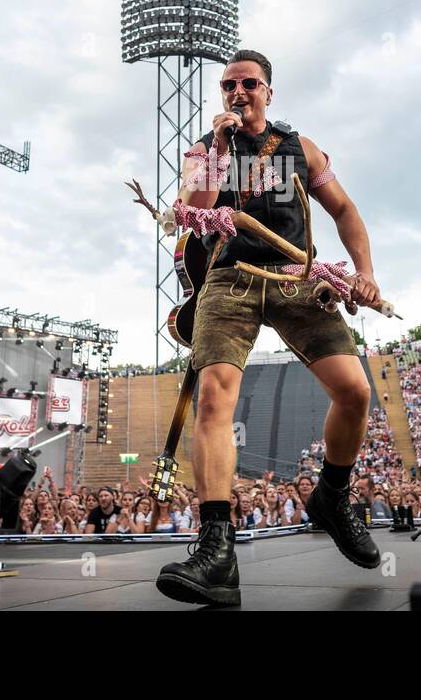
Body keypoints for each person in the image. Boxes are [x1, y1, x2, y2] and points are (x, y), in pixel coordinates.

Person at [157, 49, 384, 607]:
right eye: (229, 84)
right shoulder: (204, 151)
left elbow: (346, 211)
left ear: (269, 91)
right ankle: (216, 552)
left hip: (297, 277)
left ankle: (332, 495)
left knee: (355, 392)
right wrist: (215, 145)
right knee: (213, 396)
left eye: (250, 83)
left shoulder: (300, 149)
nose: (239, 92)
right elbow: (191, 211)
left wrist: (365, 273)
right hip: (230, 277)